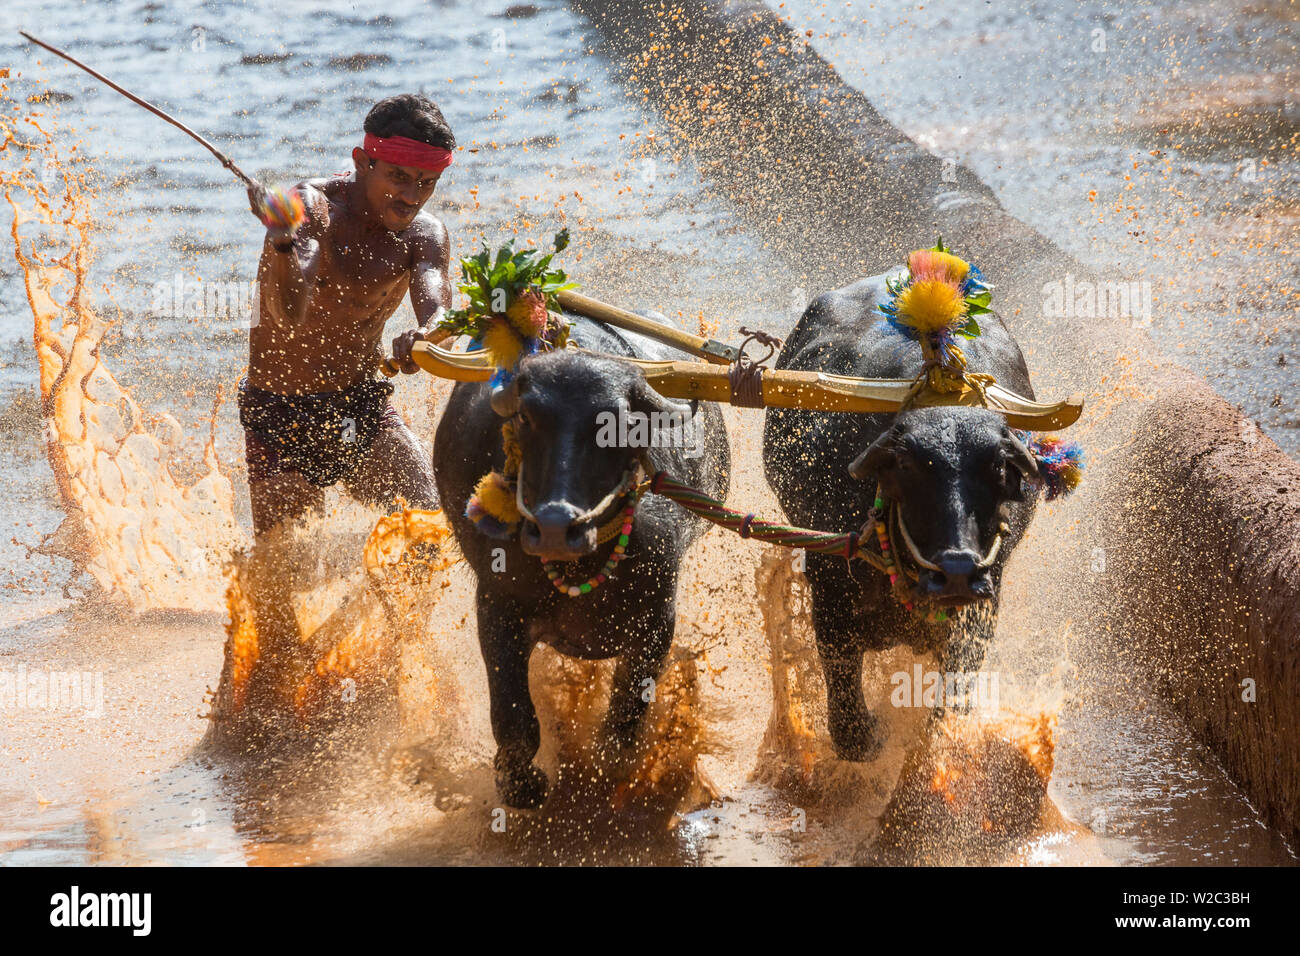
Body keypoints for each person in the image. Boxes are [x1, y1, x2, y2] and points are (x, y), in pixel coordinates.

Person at [240, 93, 453, 535]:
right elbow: (288, 312)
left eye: (427, 182)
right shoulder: (311, 209)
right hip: (279, 413)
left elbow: (441, 316)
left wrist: (427, 337)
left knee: (429, 527)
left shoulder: (424, 235)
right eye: (399, 177)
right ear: (362, 162)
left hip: (360, 406)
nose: (413, 197)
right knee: (283, 583)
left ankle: (377, 601)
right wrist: (282, 241)